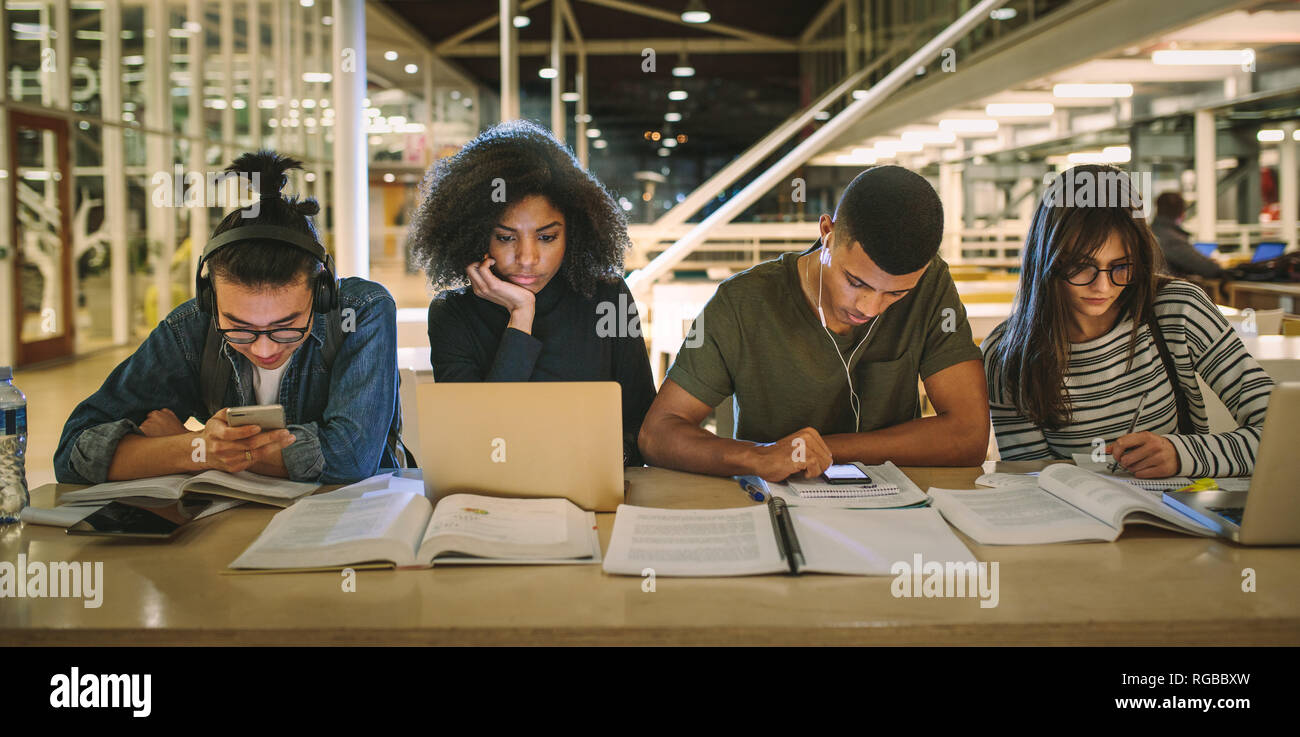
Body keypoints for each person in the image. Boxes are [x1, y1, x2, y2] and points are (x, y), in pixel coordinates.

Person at [55, 151, 404, 484]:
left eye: (286, 327)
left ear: (322, 292)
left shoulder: (360, 312)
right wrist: (197, 449)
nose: (265, 349)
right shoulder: (191, 326)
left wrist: (187, 445)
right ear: (209, 299)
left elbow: (350, 459)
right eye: (239, 328)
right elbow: (74, 453)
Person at [638, 165, 990, 483]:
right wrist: (758, 455)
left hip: (895, 514)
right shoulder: (742, 303)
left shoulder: (931, 285)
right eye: (855, 281)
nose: (870, 307)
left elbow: (969, 436)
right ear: (827, 233)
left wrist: (825, 451)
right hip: (776, 509)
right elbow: (657, 434)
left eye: (896, 294)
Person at [983, 165, 1273, 479]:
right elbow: (1032, 479)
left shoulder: (1178, 310)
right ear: (1047, 260)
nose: (1103, 287)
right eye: (1082, 267)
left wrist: (1182, 454)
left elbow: (1285, 434)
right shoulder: (1007, 354)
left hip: (1183, 519)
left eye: (1122, 266)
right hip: (1075, 522)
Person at [410, 120, 655, 466]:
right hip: (495, 498)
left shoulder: (606, 297)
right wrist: (521, 316)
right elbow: (476, 441)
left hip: (592, 491)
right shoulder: (452, 314)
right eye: (507, 238)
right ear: (477, 235)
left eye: (547, 237)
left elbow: (642, 424)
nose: (527, 259)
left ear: (574, 233)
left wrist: (606, 460)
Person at [1151, 191, 1225, 279]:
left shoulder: (1150, 232)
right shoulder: (1172, 240)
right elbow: (1208, 268)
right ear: (1182, 214)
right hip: (1171, 290)